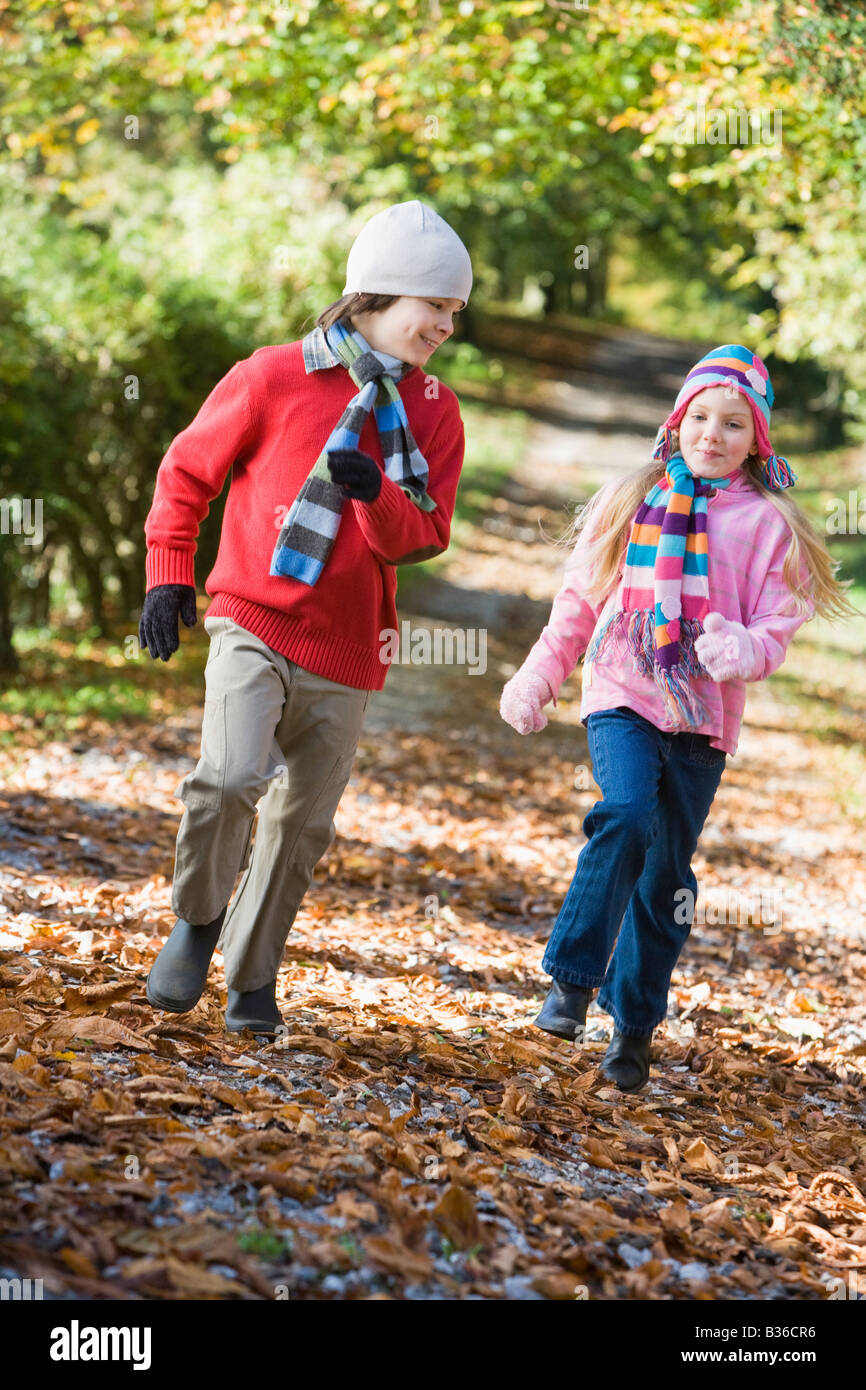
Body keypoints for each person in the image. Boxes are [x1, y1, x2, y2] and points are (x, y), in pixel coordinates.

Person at [139, 200, 471, 1035]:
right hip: (253, 614)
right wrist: (167, 574)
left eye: (454, 312)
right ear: (378, 295)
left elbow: (426, 533)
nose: (445, 325)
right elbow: (186, 473)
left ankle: (252, 980)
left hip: (351, 645)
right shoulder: (273, 376)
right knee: (228, 777)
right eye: (435, 306)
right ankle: (197, 919)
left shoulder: (435, 410)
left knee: (301, 826)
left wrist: (376, 500)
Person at [500, 344, 859, 1092]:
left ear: (756, 439)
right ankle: (570, 981)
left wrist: (744, 648)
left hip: (703, 722)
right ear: (677, 421)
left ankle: (632, 1027)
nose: (712, 434)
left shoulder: (770, 525)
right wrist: (539, 676)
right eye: (700, 417)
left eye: (733, 423)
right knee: (625, 814)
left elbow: (777, 628)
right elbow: (578, 604)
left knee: (666, 878)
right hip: (624, 693)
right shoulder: (631, 500)